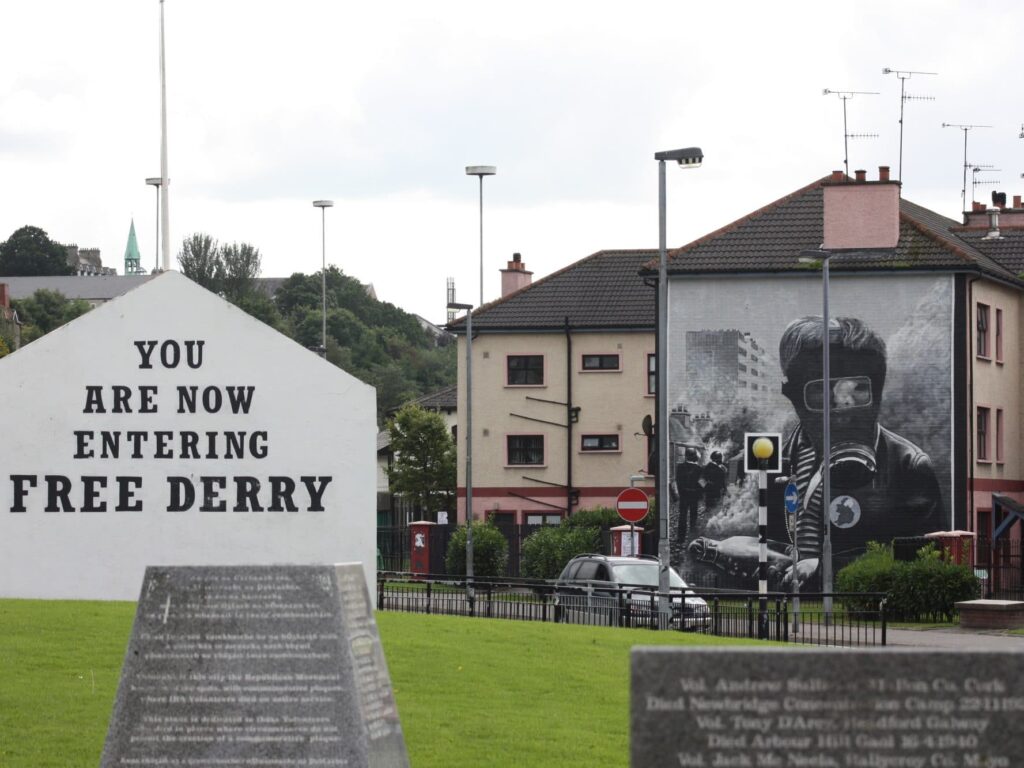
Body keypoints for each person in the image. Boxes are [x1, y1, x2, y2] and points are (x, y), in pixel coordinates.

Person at [778, 316, 942, 583]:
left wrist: (823, 567)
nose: (842, 407)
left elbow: (924, 552)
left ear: (877, 393)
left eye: (858, 390)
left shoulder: (908, 467)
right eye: (821, 391)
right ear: (793, 396)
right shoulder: (781, 462)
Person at [675, 447, 703, 542]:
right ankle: (692, 538)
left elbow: (678, 482)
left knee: (682, 517)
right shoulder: (699, 469)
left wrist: (682, 491)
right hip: (694, 496)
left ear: (686, 456)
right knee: (693, 517)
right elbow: (702, 483)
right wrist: (699, 493)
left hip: (684, 496)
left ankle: (680, 538)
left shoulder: (680, 467)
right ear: (695, 456)